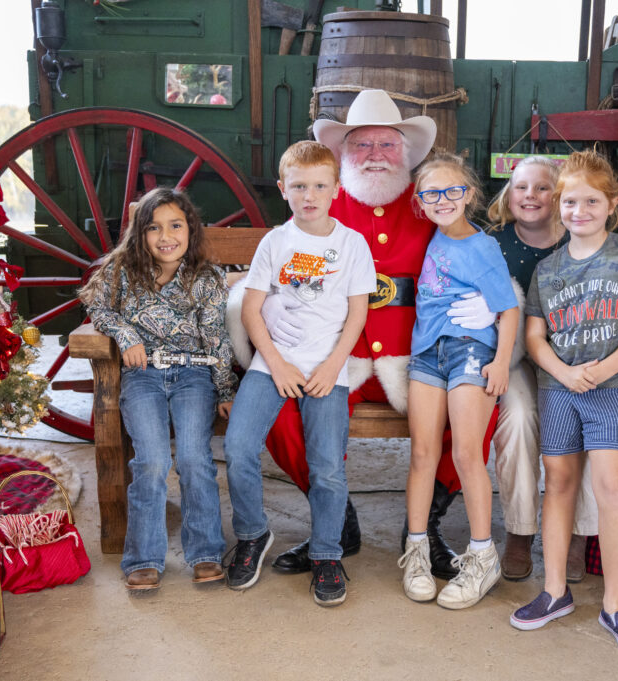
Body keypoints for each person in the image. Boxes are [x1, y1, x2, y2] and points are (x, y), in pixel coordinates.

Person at [239, 90, 499, 579]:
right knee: (281, 417)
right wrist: (272, 303)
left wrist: (489, 300)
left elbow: (471, 254)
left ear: (406, 153)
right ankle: (336, 524)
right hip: (337, 354)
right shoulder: (322, 200)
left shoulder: (431, 203)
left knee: (481, 409)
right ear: (341, 156)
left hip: (420, 353)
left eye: (387, 144)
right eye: (362, 146)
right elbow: (283, 263)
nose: (376, 156)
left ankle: (426, 527)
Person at [509, 150, 618, 657]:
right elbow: (535, 338)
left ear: (611, 204)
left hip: (613, 388)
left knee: (611, 487)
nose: (579, 211)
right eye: (570, 202)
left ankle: (615, 605)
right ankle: (555, 591)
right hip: (560, 389)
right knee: (557, 483)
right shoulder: (548, 271)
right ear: (559, 206)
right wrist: (564, 371)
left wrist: (606, 367)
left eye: (591, 201)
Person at [222, 141, 376, 607]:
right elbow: (252, 311)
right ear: (284, 189)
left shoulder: (351, 244)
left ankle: (327, 553)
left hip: (328, 369)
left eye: (319, 186)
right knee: (237, 446)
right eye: (299, 186)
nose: (309, 195)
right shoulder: (276, 242)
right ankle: (253, 534)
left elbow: (357, 315)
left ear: (335, 189)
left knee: (327, 466)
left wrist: (333, 366)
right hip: (274, 363)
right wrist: (276, 361)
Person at [79, 187, 236, 591]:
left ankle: (205, 552)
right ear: (139, 234)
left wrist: (225, 390)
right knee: (149, 462)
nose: (166, 236)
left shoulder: (206, 278)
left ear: (190, 229)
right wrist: (125, 334)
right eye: (154, 228)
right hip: (143, 375)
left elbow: (217, 339)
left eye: (175, 226)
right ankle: (144, 557)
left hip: (193, 377)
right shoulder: (122, 271)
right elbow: (96, 306)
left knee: (193, 458)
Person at [399, 153, 519, 609]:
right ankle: (416, 553)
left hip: (471, 350)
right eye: (432, 193)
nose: (443, 199)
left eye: (453, 190)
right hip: (427, 353)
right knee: (422, 454)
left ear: (468, 194)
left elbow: (508, 308)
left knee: (468, 453)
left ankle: (483, 555)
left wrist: (502, 361)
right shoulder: (431, 235)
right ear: (421, 202)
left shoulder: (482, 246)